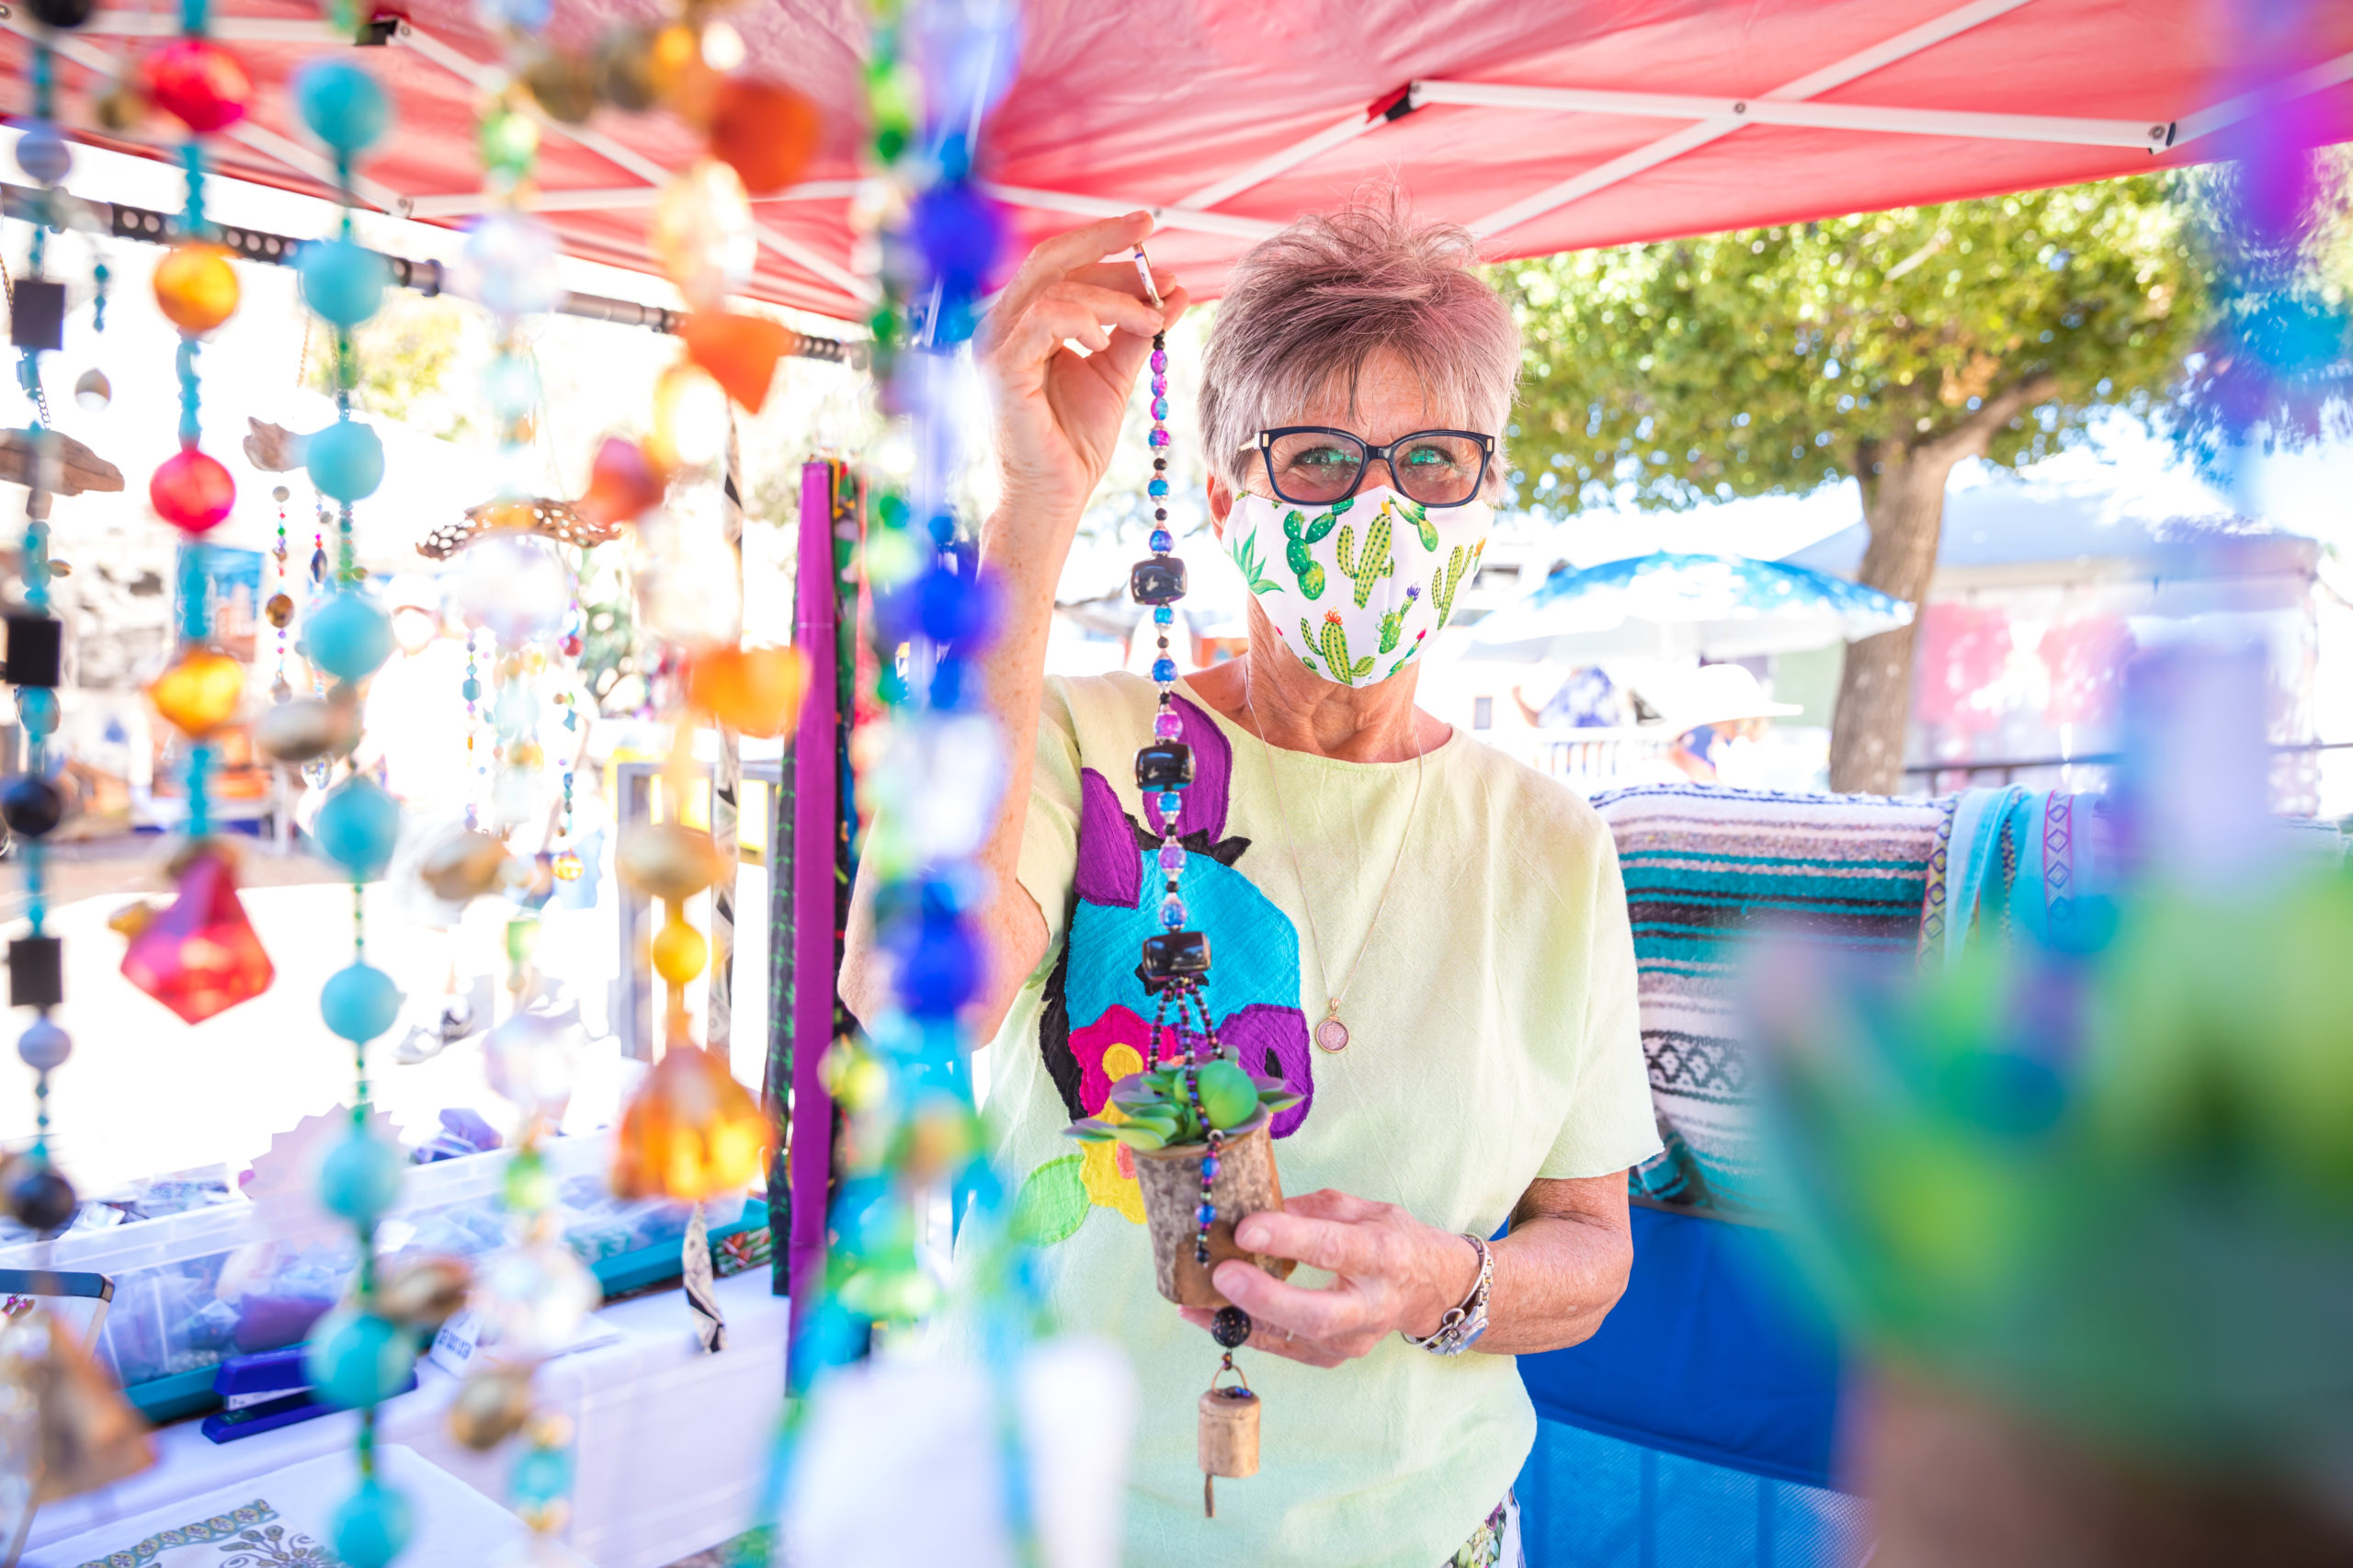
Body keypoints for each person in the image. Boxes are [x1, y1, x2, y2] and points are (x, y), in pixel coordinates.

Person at [844, 202, 1659, 1568]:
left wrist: (1443, 1289)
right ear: (1226, 501)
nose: (1380, 509)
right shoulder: (1087, 745)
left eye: (1434, 463)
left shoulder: (1555, 846)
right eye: (1323, 460)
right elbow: (916, 988)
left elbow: (1590, 1251)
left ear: (1487, 496)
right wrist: (1035, 509)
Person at [1616, 664, 1801, 787]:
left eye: (1760, 727)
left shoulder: (1711, 783)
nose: (1751, 739)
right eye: (1745, 726)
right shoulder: (1658, 778)